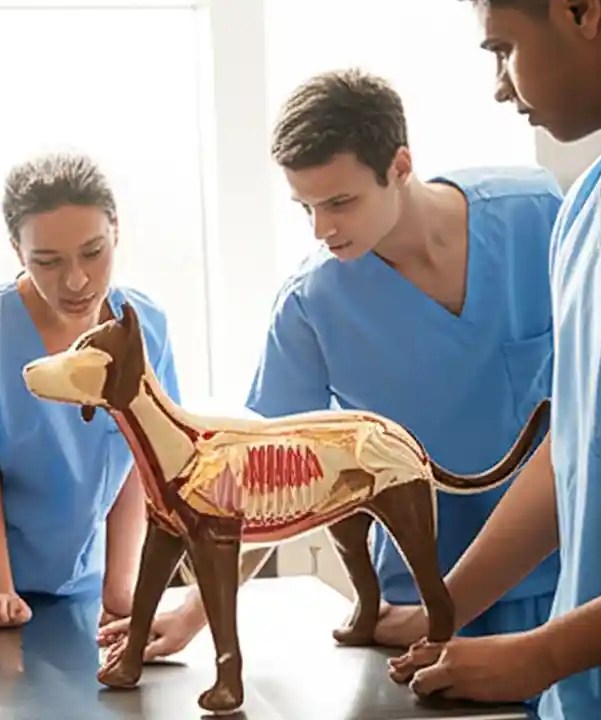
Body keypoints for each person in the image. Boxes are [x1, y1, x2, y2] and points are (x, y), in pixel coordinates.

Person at [99, 68, 564, 668]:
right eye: (306, 207)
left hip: (575, 573)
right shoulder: (310, 308)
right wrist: (194, 615)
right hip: (427, 603)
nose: (322, 229)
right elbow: (254, 481)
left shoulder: (540, 216)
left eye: (341, 202)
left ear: (399, 166)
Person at [386, 1, 601, 717]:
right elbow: (576, 441)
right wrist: (444, 611)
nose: (500, 84)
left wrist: (543, 651)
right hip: (582, 701)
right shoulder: (587, 205)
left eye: (503, 48)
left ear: (581, 10)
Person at [0, 151, 180, 630]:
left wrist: (119, 589)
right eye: (47, 262)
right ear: (17, 251)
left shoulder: (144, 328)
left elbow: (137, 464)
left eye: (93, 252)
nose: (76, 280)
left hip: (71, 581)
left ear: (116, 230)